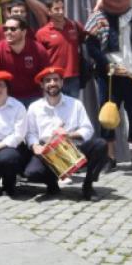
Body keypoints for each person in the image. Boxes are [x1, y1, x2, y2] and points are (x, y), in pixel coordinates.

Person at [82, 0, 132, 169]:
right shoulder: (97, 19)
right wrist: (108, 66)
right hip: (110, 77)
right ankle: (110, 157)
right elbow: (92, 48)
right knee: (108, 115)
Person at [24, 67, 107, 199]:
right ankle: (52, 184)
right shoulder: (34, 107)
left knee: (101, 145)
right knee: (32, 173)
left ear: (62, 82)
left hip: (73, 148)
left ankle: (88, 185)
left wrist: (68, 135)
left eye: (56, 79)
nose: (52, 83)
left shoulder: (76, 104)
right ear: (42, 84)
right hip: (48, 152)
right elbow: (30, 133)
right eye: (48, 80)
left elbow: (88, 128)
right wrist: (35, 146)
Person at [0, 16, 49, 105]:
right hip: (7, 99)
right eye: (5, 29)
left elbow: (46, 77)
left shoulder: (39, 50)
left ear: (24, 32)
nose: (8, 32)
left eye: (13, 29)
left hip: (34, 98)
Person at [36, 0, 86, 98]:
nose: (61, 11)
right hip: (52, 79)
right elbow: (38, 57)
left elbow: (87, 37)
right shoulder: (42, 33)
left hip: (73, 77)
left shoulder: (75, 26)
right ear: (49, 11)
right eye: (57, 9)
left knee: (71, 110)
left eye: (62, 8)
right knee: (53, 110)